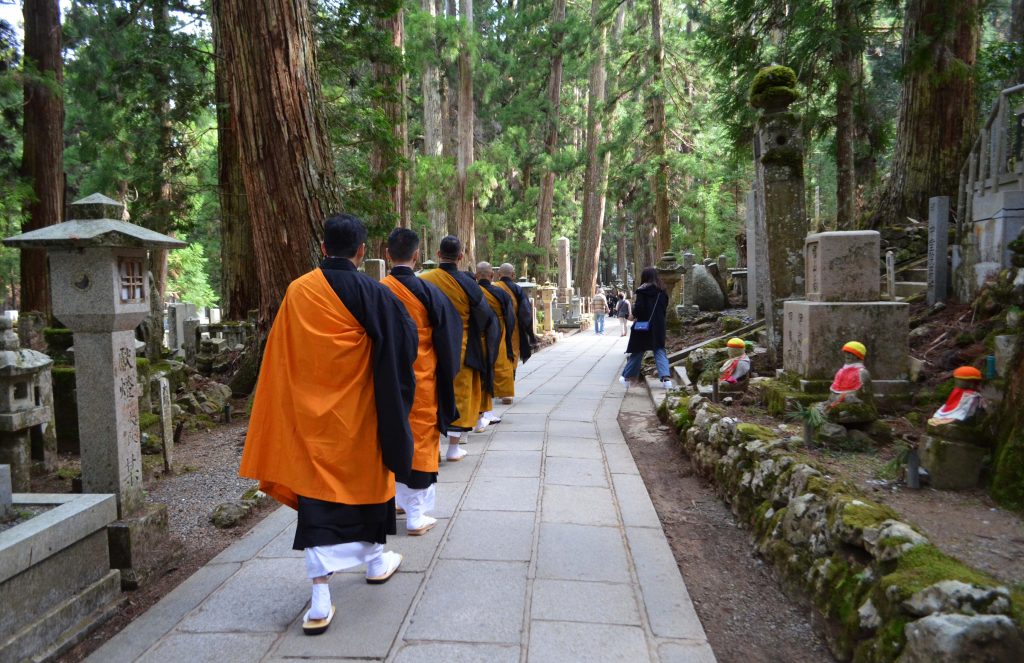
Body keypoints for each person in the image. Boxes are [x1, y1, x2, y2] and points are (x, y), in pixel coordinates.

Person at [239, 214, 417, 636]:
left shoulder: (299, 291)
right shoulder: (374, 293)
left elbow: (281, 357)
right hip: (361, 418)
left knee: (318, 503)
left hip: (314, 422)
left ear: (322, 248)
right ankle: (375, 561)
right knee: (370, 489)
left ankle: (322, 596)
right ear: (361, 251)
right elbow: (405, 345)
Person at [381, 228, 462, 536]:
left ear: (388, 254)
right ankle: (415, 514)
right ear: (417, 256)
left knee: (389, 437)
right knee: (421, 441)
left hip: (386, 380)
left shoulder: (377, 290)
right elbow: (449, 336)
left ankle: (395, 499)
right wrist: (447, 374)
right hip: (422, 380)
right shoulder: (429, 292)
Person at [420, 236, 499, 454]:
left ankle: (433, 447)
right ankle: (453, 448)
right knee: (460, 394)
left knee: (431, 394)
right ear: (461, 257)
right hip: (461, 346)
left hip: (430, 345)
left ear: (438, 254)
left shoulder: (425, 280)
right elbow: (485, 315)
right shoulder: (469, 284)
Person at [476, 262, 516, 429]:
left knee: (478, 374)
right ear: (492, 275)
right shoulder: (500, 293)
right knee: (495, 369)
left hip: (476, 336)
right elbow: (510, 317)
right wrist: (508, 336)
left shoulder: (472, 291)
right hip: (498, 334)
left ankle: (480, 412)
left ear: (476, 275)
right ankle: (487, 412)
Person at [619, 267, 672, 389]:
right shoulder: (662, 291)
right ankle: (666, 379)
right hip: (659, 326)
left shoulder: (642, 291)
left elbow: (639, 309)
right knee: (659, 350)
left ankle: (626, 377)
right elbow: (664, 308)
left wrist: (633, 316)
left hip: (643, 326)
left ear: (644, 277)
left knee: (638, 351)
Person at [495, 262, 538, 405]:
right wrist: (529, 332)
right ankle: (506, 393)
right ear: (513, 275)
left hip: (494, 329)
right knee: (511, 358)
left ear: (498, 275)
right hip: (513, 330)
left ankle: (497, 390)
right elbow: (525, 312)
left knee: (497, 358)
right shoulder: (517, 289)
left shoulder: (493, 288)